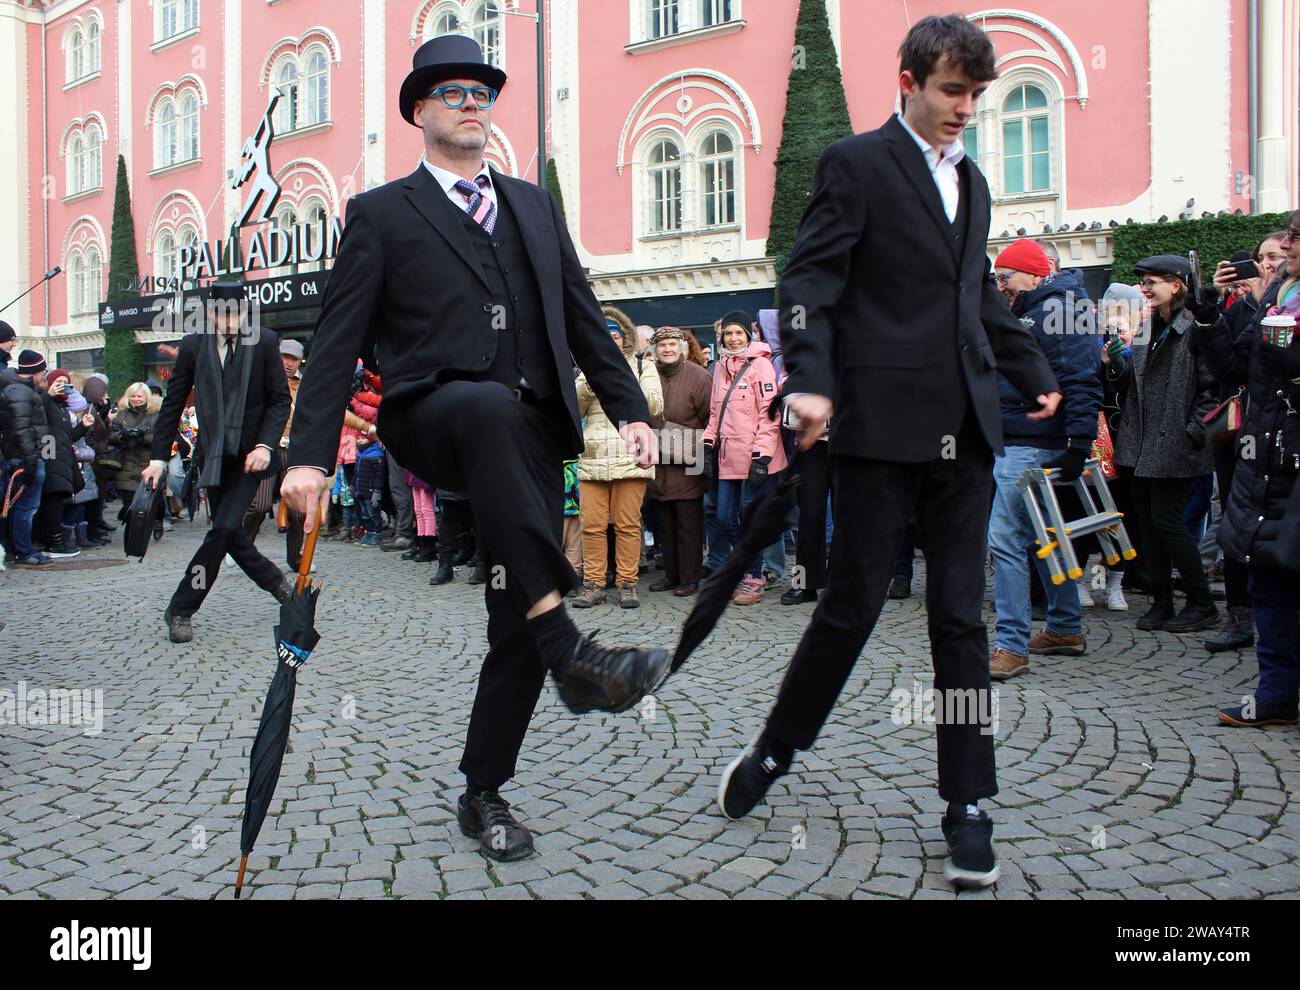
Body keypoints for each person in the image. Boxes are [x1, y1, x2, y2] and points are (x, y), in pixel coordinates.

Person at [279, 35, 668, 863]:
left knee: (511, 614)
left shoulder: (531, 203)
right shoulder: (381, 214)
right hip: (434, 416)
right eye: (451, 92)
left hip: (529, 429)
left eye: (481, 92)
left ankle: (484, 789)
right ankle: (572, 649)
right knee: (484, 405)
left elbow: (579, 309)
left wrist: (631, 406)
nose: (471, 103)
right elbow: (335, 340)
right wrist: (307, 455)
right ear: (419, 112)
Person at [715, 15, 1061, 890]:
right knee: (852, 607)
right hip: (876, 431)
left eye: (977, 96)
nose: (965, 110)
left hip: (968, 437)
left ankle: (967, 803)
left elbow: (973, 292)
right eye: (952, 90)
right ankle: (777, 747)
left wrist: (1027, 365)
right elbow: (808, 283)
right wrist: (811, 380)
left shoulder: (973, 182)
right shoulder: (855, 164)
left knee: (959, 619)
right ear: (906, 80)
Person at [1193, 211, 1300, 726]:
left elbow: (1287, 365)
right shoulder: (1273, 302)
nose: (1282, 253)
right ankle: (1276, 695)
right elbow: (1233, 369)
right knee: (1270, 578)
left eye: (1290, 244)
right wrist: (1210, 315)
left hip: (1292, 456)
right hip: (1264, 459)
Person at [142, 281, 294, 644]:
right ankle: (278, 583)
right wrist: (158, 459)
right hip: (211, 457)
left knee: (224, 529)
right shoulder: (194, 345)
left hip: (250, 458)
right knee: (230, 533)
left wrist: (265, 446)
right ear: (209, 313)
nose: (229, 321)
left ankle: (181, 608)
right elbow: (172, 404)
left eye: (236, 314)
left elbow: (278, 401)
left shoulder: (266, 341)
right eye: (222, 314)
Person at [986, 239, 1100, 680]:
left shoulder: (1060, 309)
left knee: (1005, 539)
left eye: (1006, 276)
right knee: (1038, 536)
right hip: (1021, 435)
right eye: (997, 277)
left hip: (1033, 439)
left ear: (1034, 274)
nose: (1001, 284)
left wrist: (1079, 442)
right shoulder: (1036, 307)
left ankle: (1011, 646)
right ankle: (1065, 627)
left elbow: (1081, 374)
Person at [1105, 255, 1219, 634]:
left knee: (1168, 523)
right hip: (1141, 442)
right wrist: (1113, 363)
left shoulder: (1194, 327)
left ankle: (1201, 602)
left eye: (1154, 281)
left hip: (1175, 442)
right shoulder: (1146, 328)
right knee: (1147, 526)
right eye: (1144, 281)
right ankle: (1162, 601)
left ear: (1178, 285)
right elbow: (1130, 386)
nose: (1146, 288)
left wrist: (1193, 429)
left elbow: (1212, 387)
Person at [572, 306, 663, 609]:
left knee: (627, 524)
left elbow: (655, 406)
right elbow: (574, 410)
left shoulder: (642, 367)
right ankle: (593, 583)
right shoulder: (588, 369)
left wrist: (623, 381)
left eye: (615, 335)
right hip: (594, 456)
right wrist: (585, 388)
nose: (610, 341)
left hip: (630, 454)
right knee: (591, 525)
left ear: (625, 339)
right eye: (604, 336)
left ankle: (627, 583)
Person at [702, 311, 787, 606]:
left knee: (750, 519)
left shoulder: (760, 365)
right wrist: (707, 444)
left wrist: (762, 457)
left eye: (738, 333)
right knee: (724, 517)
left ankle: (754, 576)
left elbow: (770, 414)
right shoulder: (721, 367)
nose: (733, 338)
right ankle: (743, 566)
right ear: (722, 337)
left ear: (748, 336)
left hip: (754, 457)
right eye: (728, 333)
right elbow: (716, 412)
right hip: (727, 457)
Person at [646, 326, 711, 597]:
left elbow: (709, 418)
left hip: (689, 459)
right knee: (664, 524)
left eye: (673, 344)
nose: (668, 349)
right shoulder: (649, 375)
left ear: (682, 346)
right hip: (657, 462)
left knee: (688, 523)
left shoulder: (699, 376)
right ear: (654, 350)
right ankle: (671, 575)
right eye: (662, 345)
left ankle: (690, 578)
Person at [0, 350, 53, 568]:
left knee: (25, 507)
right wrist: (32, 461)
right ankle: (23, 552)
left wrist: (45, 455)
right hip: (23, 458)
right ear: (35, 372)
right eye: (43, 371)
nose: (45, 376)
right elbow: (22, 430)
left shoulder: (22, 390)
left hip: (27, 456)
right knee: (25, 508)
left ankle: (23, 549)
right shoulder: (19, 392)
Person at [36, 369, 86, 559]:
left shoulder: (62, 406)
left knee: (57, 501)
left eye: (65, 381)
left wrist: (83, 427)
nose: (62, 385)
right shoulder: (45, 400)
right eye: (58, 381)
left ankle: (55, 540)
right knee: (53, 500)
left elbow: (67, 437)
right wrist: (48, 459)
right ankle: (54, 543)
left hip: (63, 458)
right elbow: (37, 416)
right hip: (51, 456)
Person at [110, 383, 160, 520]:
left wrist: (143, 437)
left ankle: (156, 520)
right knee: (129, 502)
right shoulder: (122, 414)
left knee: (150, 502)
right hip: (127, 462)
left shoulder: (156, 414)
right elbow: (111, 436)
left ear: (146, 397)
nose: (136, 399)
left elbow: (161, 437)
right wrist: (122, 435)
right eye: (133, 396)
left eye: (139, 396)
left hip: (148, 462)